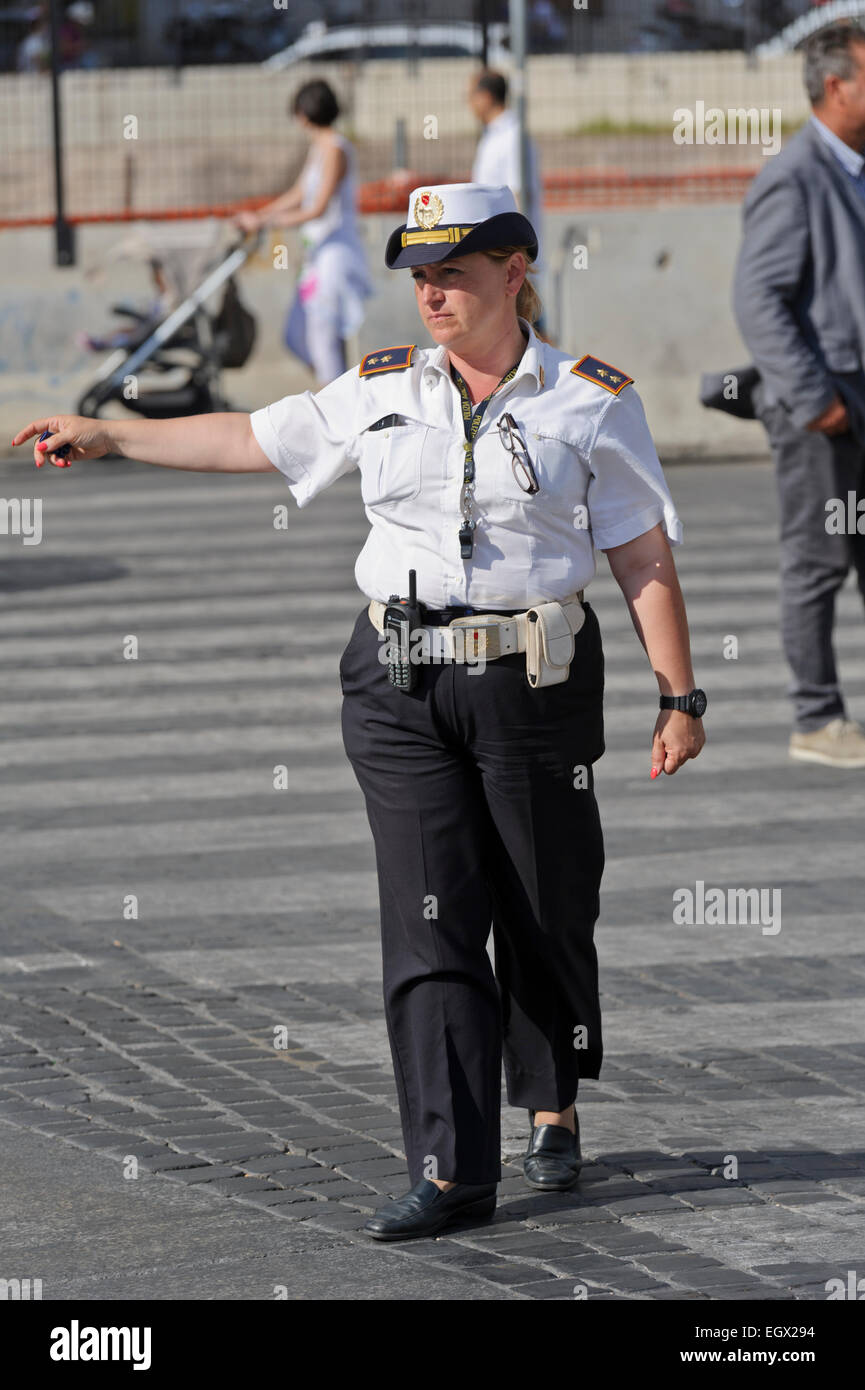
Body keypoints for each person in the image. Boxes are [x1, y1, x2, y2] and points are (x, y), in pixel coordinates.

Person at [14, 182, 706, 1243]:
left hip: (533, 681)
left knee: (545, 906)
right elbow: (253, 437)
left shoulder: (590, 397)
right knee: (428, 921)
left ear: (515, 273)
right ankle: (450, 1170)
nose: (431, 295)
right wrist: (112, 434)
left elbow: (639, 551)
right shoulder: (384, 385)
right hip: (395, 685)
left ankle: (551, 1092)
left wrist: (679, 693)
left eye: (455, 274)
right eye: (421, 276)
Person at [732, 20, 865, 768]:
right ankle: (816, 718)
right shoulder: (795, 174)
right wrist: (815, 398)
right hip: (821, 412)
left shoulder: (853, 166)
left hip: (856, 395)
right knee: (815, 563)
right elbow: (756, 300)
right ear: (836, 84)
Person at [235, 78, 372, 388]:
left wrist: (266, 222)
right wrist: (260, 215)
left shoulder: (336, 149)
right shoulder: (319, 147)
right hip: (317, 256)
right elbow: (299, 193)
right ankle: (340, 398)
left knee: (323, 338)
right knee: (298, 336)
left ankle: (337, 410)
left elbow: (317, 208)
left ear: (304, 113)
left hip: (334, 256)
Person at [469, 69, 546, 325]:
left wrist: (514, 252)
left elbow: (518, 195)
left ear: (486, 96)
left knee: (527, 332)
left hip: (509, 256)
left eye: (472, 95)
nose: (468, 102)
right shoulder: (495, 135)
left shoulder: (512, 136)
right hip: (498, 254)